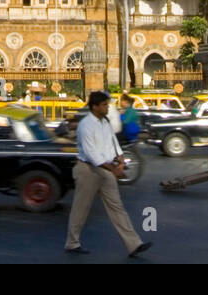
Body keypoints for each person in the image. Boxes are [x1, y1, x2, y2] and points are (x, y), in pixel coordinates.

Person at [64, 91, 150, 258]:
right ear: (95, 106)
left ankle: (133, 244)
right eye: (104, 105)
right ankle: (72, 243)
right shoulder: (86, 126)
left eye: (107, 104)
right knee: (81, 208)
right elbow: (92, 155)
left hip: (106, 169)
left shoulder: (105, 122)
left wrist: (121, 159)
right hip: (88, 170)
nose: (107, 107)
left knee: (117, 207)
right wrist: (114, 169)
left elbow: (113, 142)